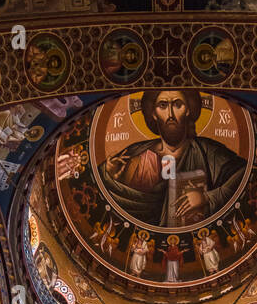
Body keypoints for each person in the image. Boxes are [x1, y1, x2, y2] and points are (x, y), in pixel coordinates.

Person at [98, 89, 245, 227]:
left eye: (177, 105)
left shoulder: (208, 151)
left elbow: (244, 175)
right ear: (154, 113)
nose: (170, 115)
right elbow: (120, 199)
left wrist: (207, 197)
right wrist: (111, 176)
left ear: (188, 110)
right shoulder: (135, 153)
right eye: (162, 105)